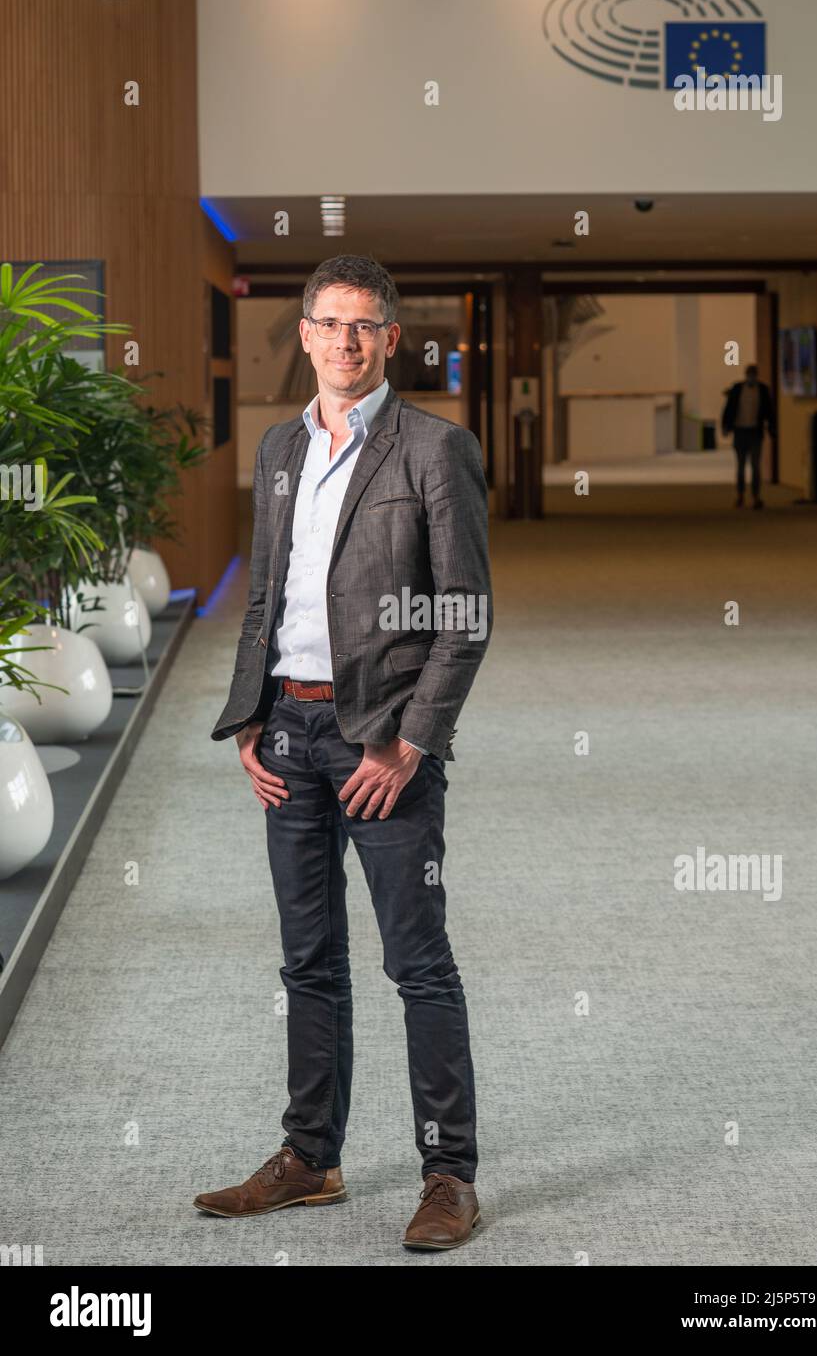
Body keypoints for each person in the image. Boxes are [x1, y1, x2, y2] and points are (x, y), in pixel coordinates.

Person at [195, 255, 492, 1251]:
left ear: (390, 338)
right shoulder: (281, 447)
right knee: (307, 960)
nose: (345, 341)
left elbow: (462, 616)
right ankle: (309, 1157)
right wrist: (249, 717)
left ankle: (448, 1173)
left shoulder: (431, 450)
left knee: (416, 960)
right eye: (328, 323)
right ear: (306, 333)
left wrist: (408, 744)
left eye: (364, 326)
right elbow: (265, 598)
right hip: (289, 732)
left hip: (380, 746)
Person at [721, 364, 776, 509]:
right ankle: (740, 495)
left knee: (756, 466)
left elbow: (769, 411)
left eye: (753, 374)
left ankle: (756, 496)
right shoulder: (737, 389)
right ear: (746, 375)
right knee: (740, 466)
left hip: (755, 432)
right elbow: (729, 408)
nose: (751, 377)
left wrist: (772, 428)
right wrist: (726, 426)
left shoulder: (763, 390)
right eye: (749, 374)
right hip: (740, 431)